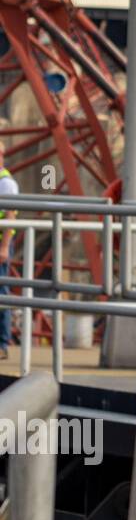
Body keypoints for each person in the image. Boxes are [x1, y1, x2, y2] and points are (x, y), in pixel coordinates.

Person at [0, 140, 15, 360]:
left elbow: (10, 214)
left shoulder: (6, 183)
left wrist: (4, 246)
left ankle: (2, 343)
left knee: (1, 294)